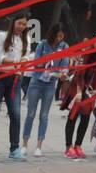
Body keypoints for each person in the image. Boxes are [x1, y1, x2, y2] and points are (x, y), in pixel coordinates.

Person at [0, 13, 30, 161]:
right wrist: (14, 63)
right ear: (13, 22)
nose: (21, 26)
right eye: (19, 23)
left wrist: (24, 60)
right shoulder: (1, 36)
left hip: (15, 79)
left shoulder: (26, 39)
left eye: (24, 24)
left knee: (15, 114)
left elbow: (26, 55)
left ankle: (14, 148)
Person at [23, 23, 69, 157]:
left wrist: (63, 74)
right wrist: (47, 61)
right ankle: (24, 144)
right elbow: (36, 62)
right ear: (52, 34)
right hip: (36, 82)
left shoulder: (64, 47)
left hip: (50, 84)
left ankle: (39, 145)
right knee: (30, 114)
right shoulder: (42, 44)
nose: (59, 38)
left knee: (44, 115)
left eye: (61, 36)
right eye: (57, 36)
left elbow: (64, 65)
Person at [64, 45, 96, 159]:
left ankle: (78, 145)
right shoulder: (87, 54)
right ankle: (68, 146)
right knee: (73, 117)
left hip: (90, 92)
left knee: (85, 118)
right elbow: (79, 73)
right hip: (78, 89)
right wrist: (79, 91)